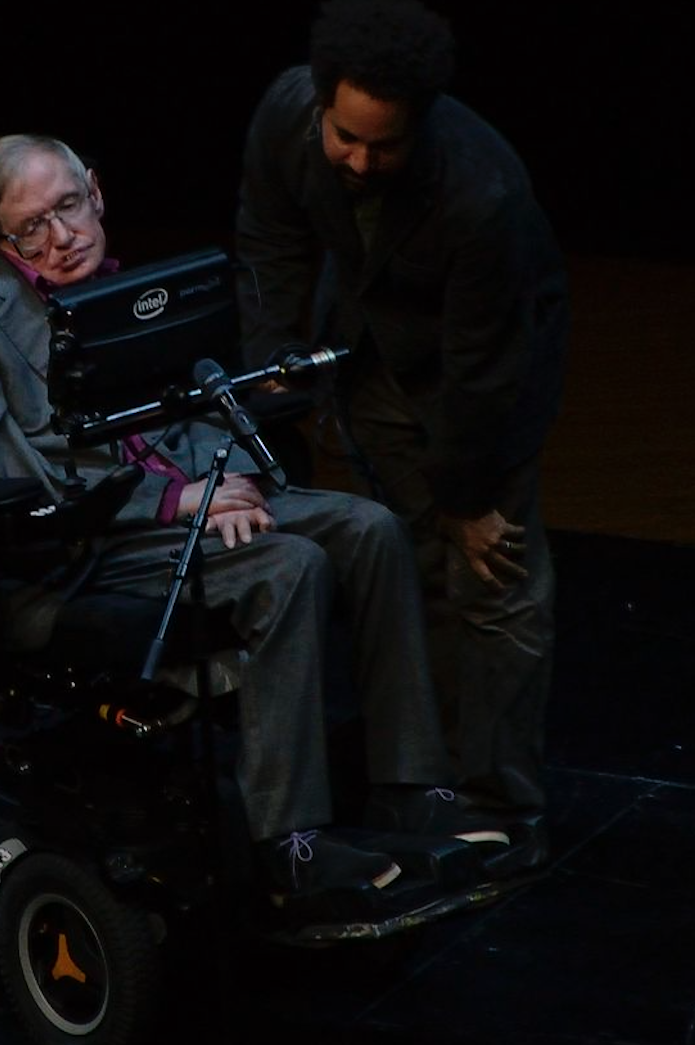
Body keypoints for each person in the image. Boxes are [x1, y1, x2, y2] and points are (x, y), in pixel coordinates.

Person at [0, 132, 518, 926]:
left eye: (69, 206)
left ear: (96, 190)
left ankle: (407, 786)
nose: (62, 237)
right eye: (31, 227)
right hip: (85, 548)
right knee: (288, 567)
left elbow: (200, 403)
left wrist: (235, 484)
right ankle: (290, 846)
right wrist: (180, 502)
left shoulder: (128, 292)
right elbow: (15, 476)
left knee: (369, 528)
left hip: (191, 496)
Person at [234, 0, 569, 863]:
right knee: (412, 557)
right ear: (320, 102)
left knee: (491, 576)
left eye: (383, 147)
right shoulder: (287, 115)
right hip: (372, 342)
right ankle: (428, 778)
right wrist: (276, 358)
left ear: (420, 122)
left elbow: (482, 373)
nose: (358, 160)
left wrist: (468, 500)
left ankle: (504, 805)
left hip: (487, 369)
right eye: (345, 137)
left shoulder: (482, 192)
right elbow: (269, 237)